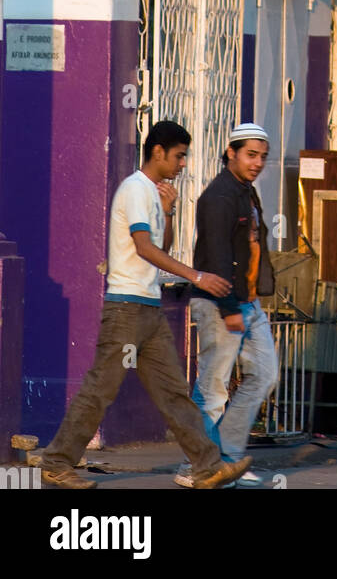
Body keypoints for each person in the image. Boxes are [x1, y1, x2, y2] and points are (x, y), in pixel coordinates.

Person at [41, 120, 252, 490]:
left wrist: (168, 212)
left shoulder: (154, 194)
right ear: (158, 152)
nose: (183, 164)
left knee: (173, 391)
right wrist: (196, 276)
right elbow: (143, 248)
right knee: (101, 389)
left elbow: (160, 248)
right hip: (126, 310)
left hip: (148, 309)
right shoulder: (135, 189)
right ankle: (57, 462)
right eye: (179, 156)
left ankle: (207, 464)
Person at [174, 122, 277, 488]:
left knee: (264, 374)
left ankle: (226, 460)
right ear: (231, 152)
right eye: (251, 154)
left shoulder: (246, 192)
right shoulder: (218, 197)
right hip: (221, 303)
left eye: (263, 156)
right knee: (213, 388)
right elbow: (218, 256)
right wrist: (230, 307)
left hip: (248, 302)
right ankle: (197, 466)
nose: (258, 162)